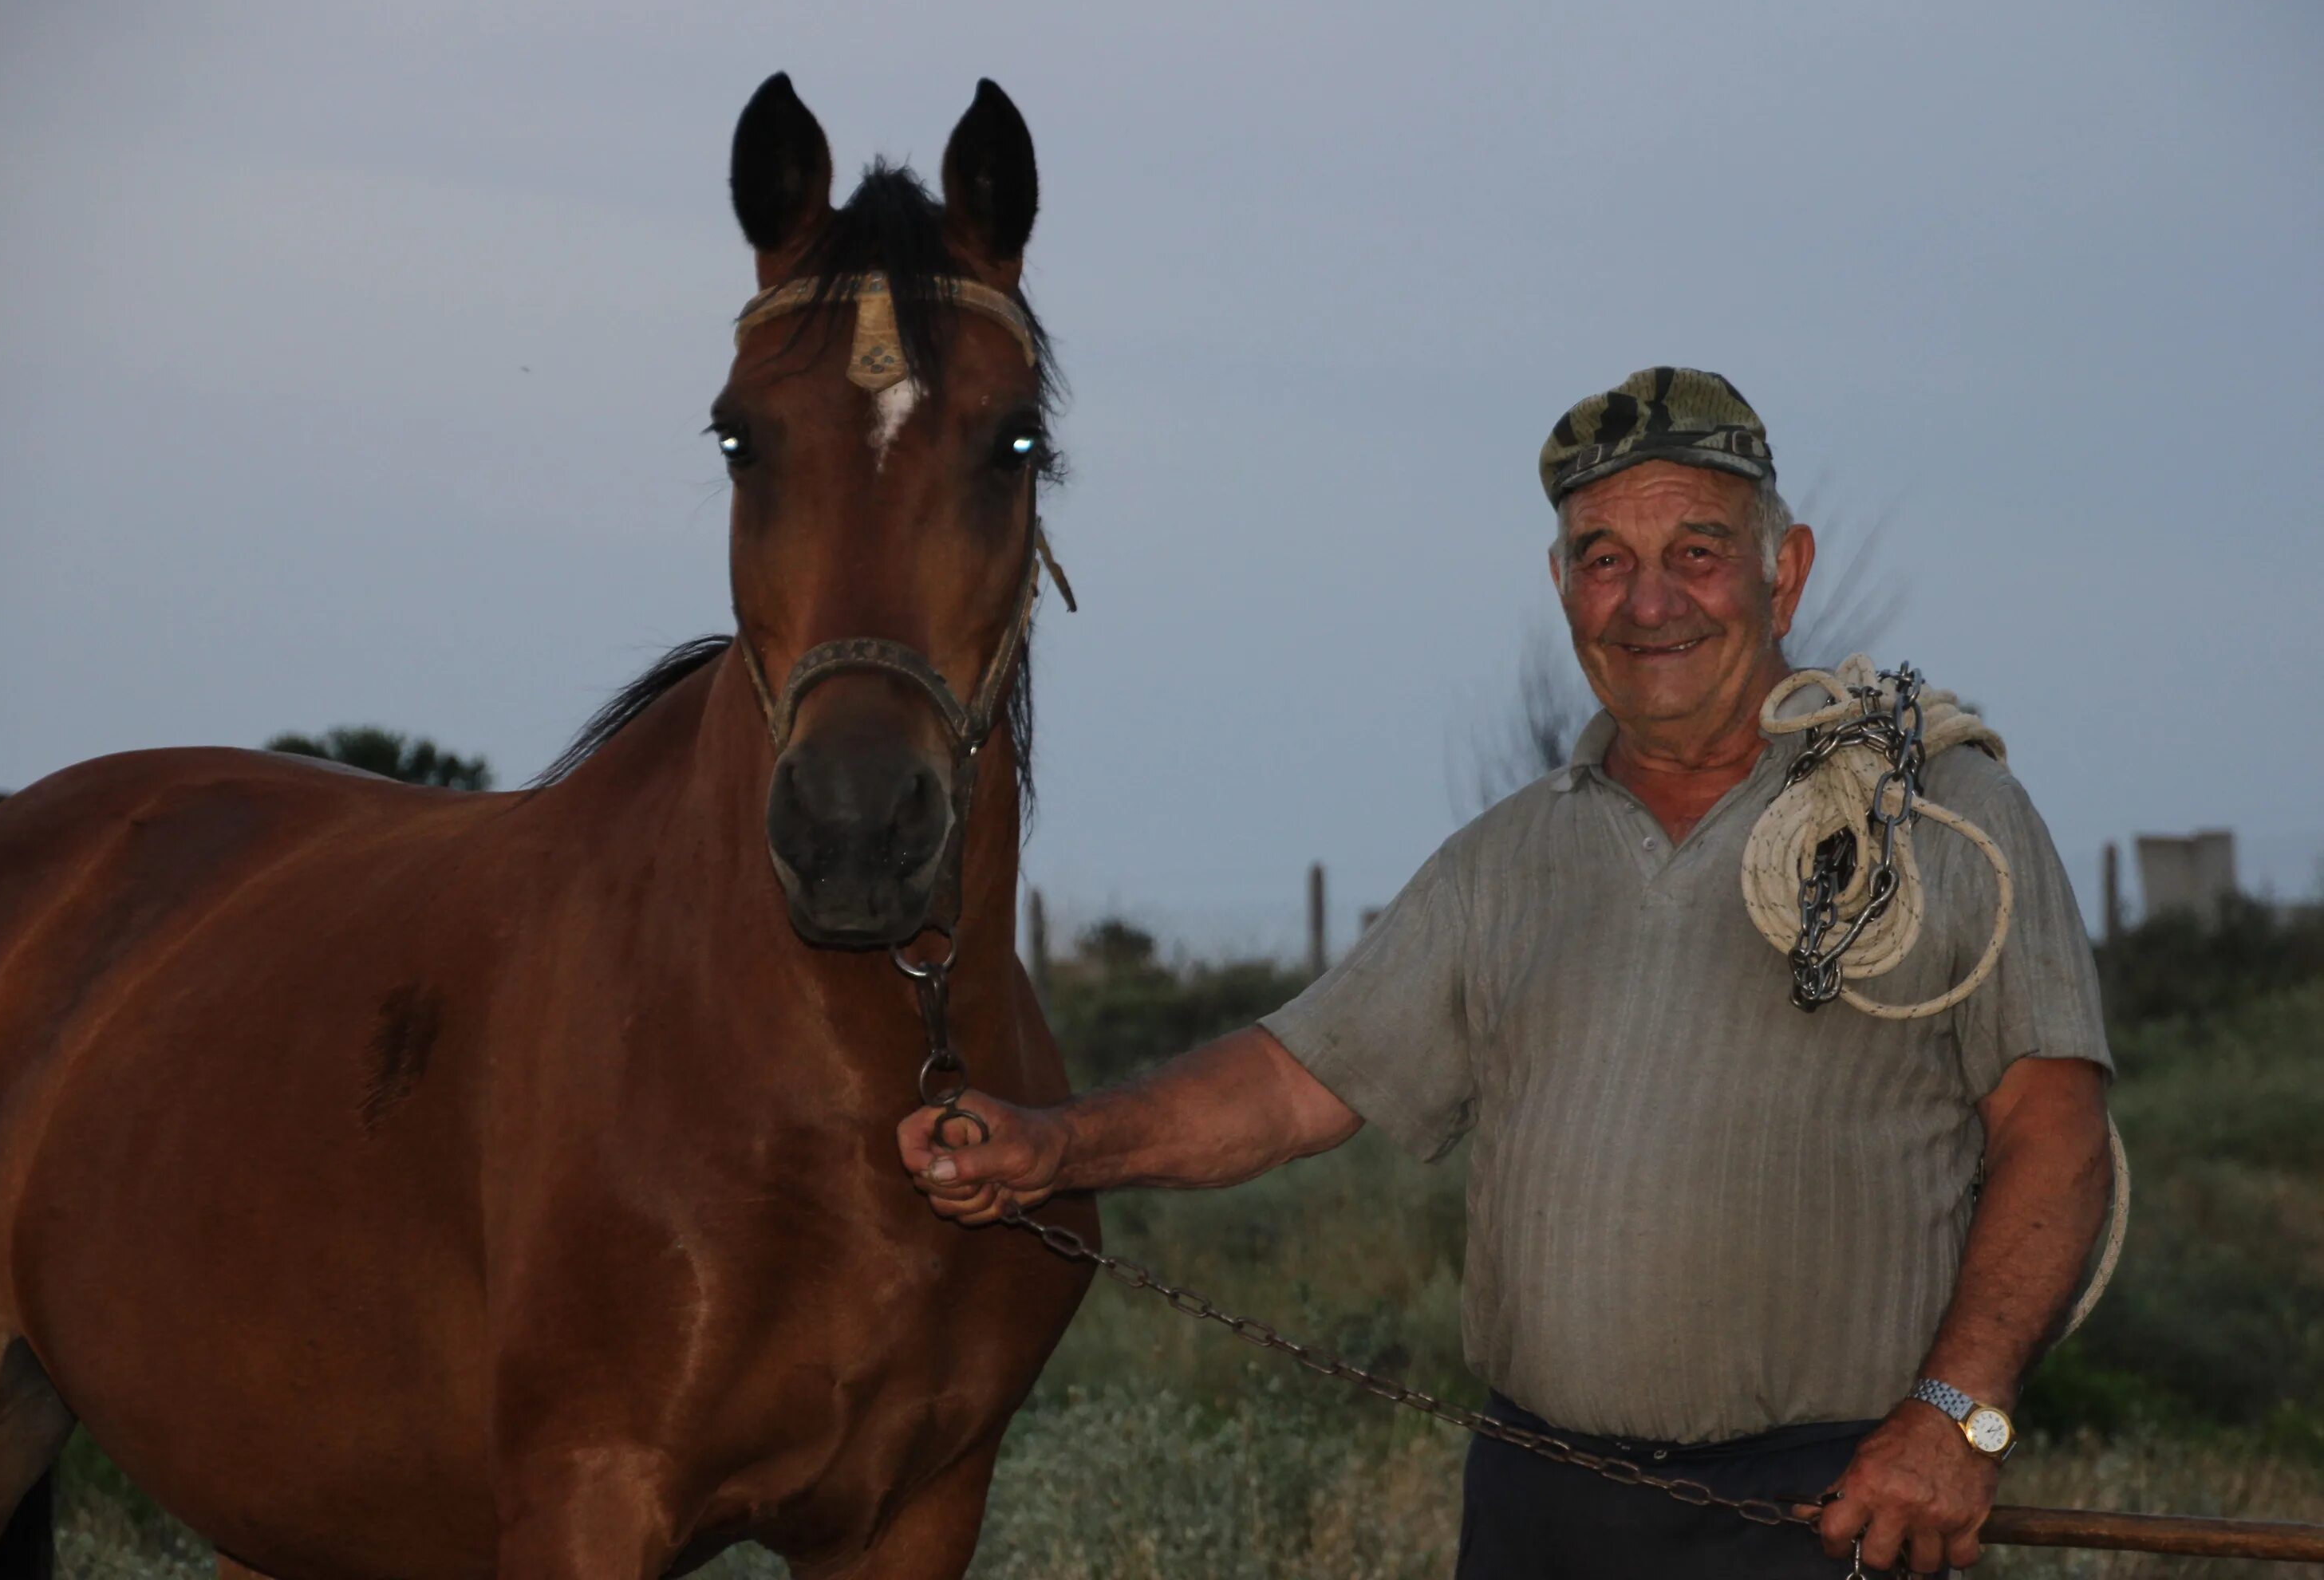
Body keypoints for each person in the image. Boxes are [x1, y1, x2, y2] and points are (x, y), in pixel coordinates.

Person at [898, 367, 2115, 1577]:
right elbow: (1288, 1086)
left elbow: (2053, 1133)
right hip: (1544, 1505)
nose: (1648, 603)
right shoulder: (1504, 859)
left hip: (1833, 1506)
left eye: (1697, 551)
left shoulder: (1948, 818)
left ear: (1782, 571)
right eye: (1602, 558)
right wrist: (1055, 1147)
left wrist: (1960, 1417)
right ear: (1561, 586)